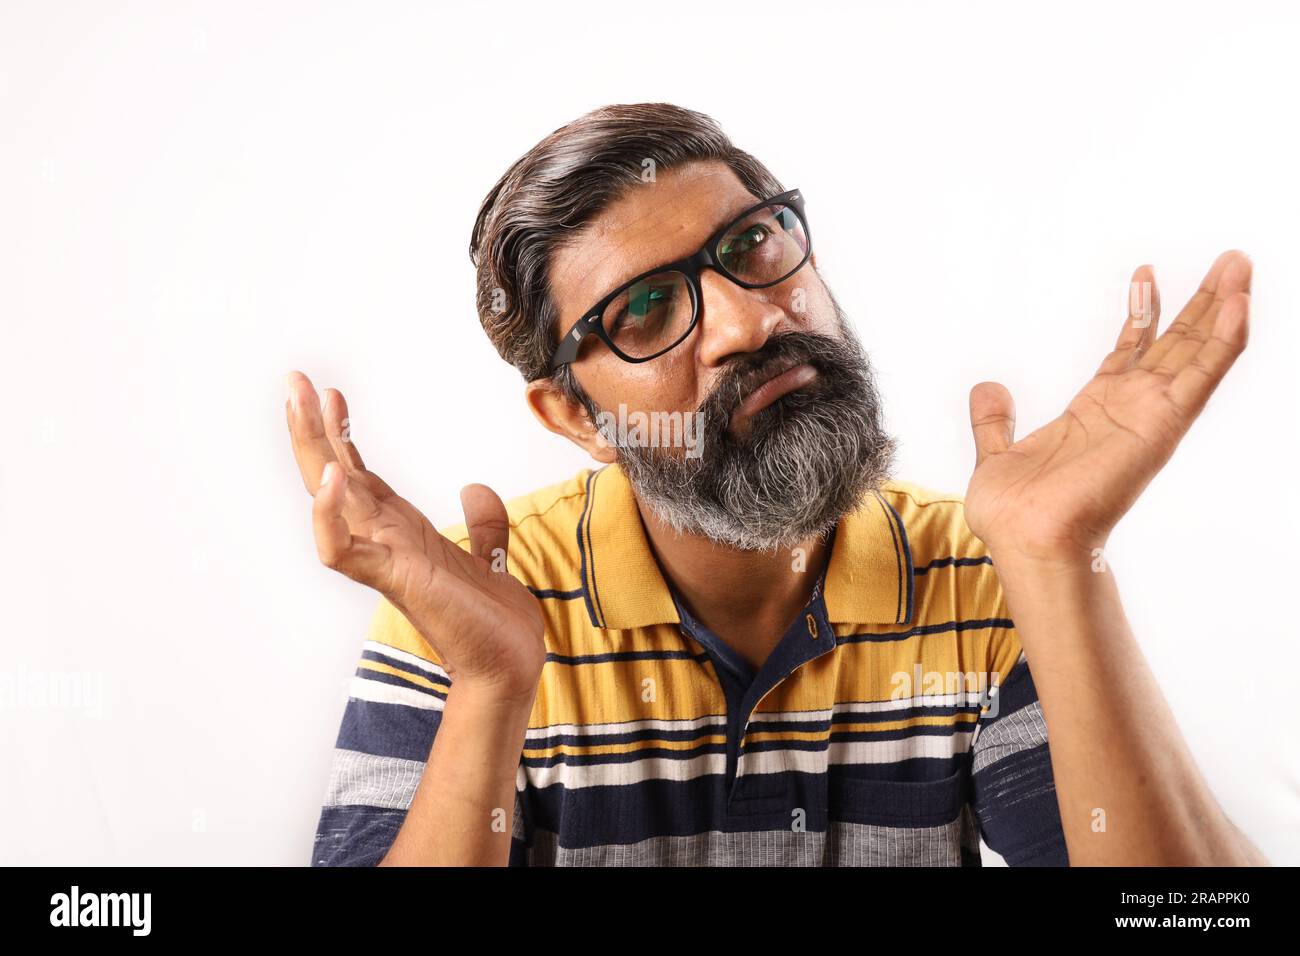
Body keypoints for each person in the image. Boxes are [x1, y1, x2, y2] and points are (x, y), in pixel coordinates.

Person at [289, 102, 1267, 866]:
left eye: (751, 245)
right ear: (576, 416)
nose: (745, 322)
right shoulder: (474, 607)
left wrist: (1060, 561)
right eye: (642, 309)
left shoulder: (983, 574)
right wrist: (493, 685)